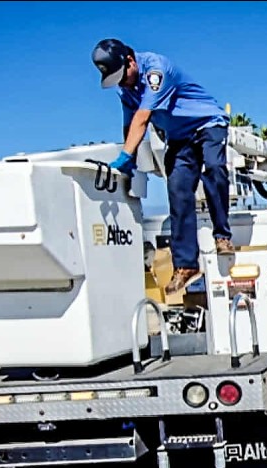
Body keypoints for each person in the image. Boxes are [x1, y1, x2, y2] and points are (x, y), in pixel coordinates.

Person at [92, 38, 233, 297]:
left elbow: (142, 118)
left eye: (122, 77)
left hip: (207, 124)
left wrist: (124, 156)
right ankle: (186, 265)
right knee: (178, 189)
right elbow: (129, 125)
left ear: (130, 61)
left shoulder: (156, 70)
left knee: (214, 169)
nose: (122, 84)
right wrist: (130, 159)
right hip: (179, 137)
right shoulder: (125, 89)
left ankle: (222, 236)